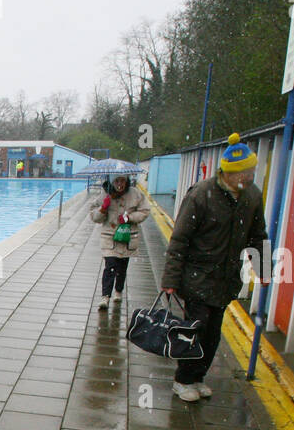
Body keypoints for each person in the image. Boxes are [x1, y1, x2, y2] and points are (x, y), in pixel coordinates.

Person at [160, 132, 269, 402]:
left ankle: (198, 377)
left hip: (226, 278)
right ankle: (183, 379)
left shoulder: (252, 196)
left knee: (213, 333)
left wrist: (263, 268)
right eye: (244, 172)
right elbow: (180, 238)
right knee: (196, 328)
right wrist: (170, 278)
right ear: (229, 173)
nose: (249, 176)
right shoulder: (202, 195)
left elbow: (258, 235)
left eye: (252, 170)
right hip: (197, 276)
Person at [90, 173, 149, 311]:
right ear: (112, 181)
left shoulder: (135, 194)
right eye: (117, 180)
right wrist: (103, 209)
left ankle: (118, 290)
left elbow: (145, 211)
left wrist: (130, 217)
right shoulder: (105, 194)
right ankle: (105, 296)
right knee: (110, 265)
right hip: (109, 237)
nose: (120, 184)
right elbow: (94, 216)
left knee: (122, 266)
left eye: (123, 180)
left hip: (127, 236)